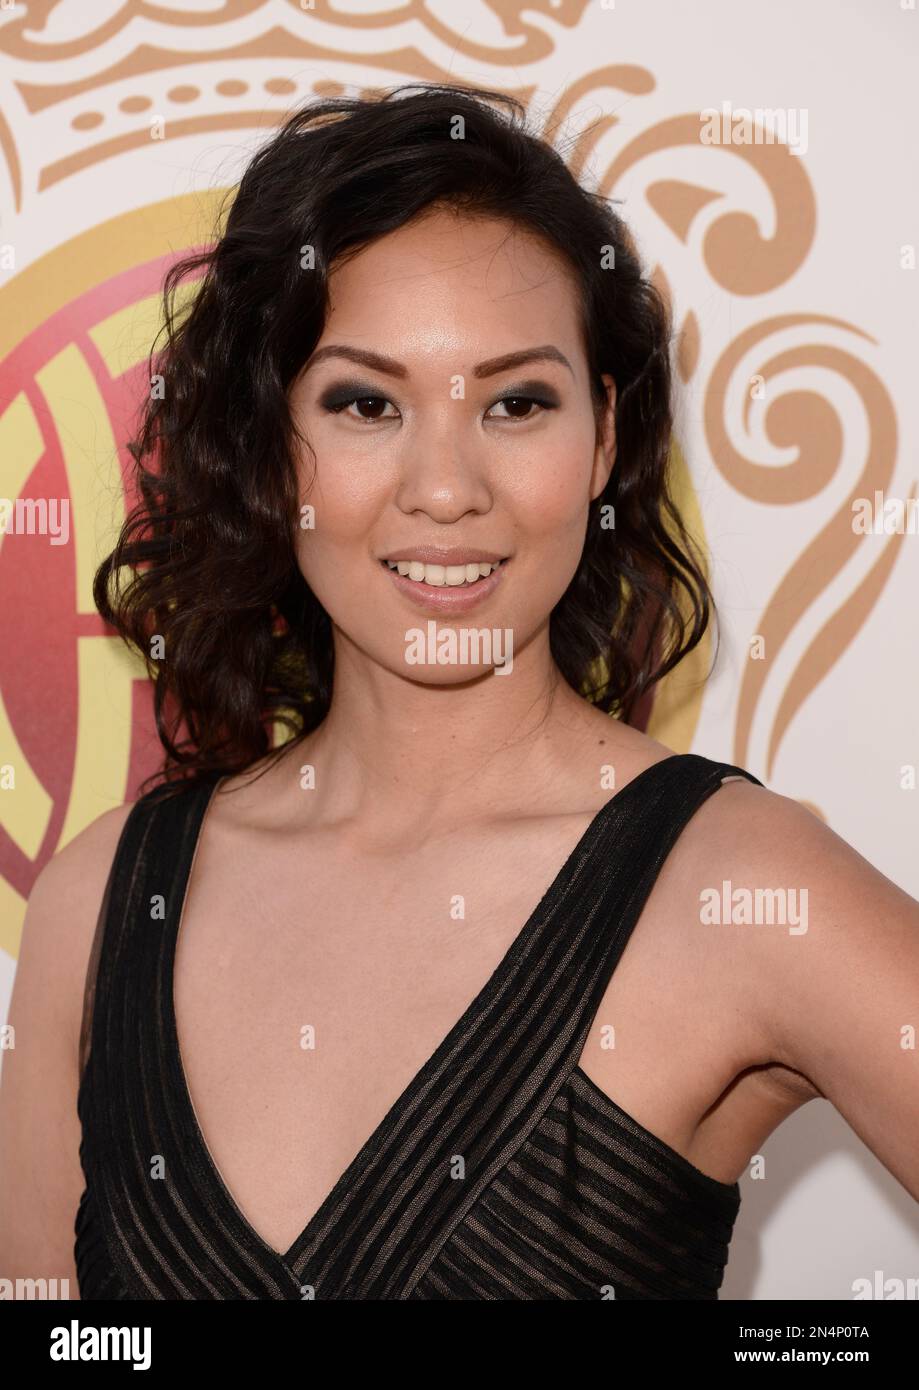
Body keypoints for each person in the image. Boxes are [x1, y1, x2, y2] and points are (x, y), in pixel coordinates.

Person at [1, 84, 916, 1301]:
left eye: (515, 402)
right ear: (269, 444)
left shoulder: (740, 888)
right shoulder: (102, 904)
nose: (445, 488)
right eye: (365, 402)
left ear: (601, 438)